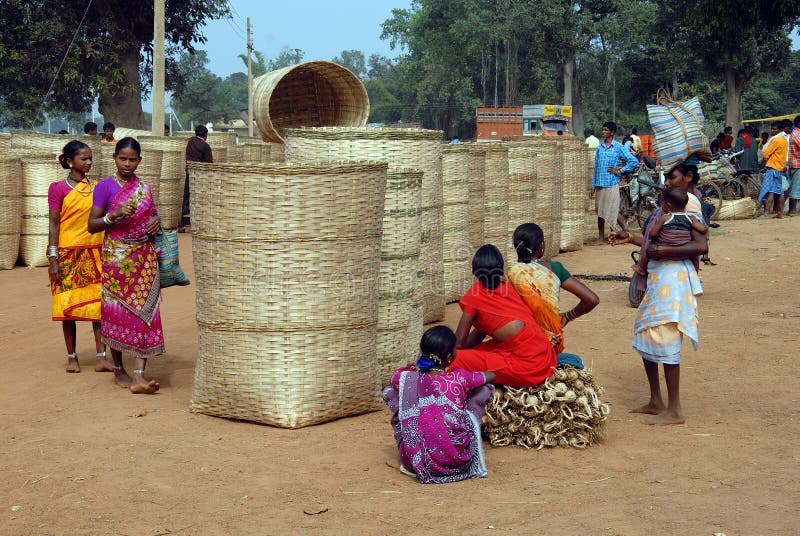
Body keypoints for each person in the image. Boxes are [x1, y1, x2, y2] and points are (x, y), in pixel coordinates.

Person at [609, 160, 709, 425]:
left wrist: (663, 252)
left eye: (672, 178)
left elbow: (701, 245)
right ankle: (656, 400)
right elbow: (657, 241)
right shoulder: (666, 207)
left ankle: (674, 409)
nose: (666, 183)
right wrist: (630, 239)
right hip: (658, 277)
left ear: (687, 179)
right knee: (648, 333)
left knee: (665, 337)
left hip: (673, 280)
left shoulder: (690, 206)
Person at [88, 137, 164, 394]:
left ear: (140, 161)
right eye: (123, 158)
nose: (127, 164)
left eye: (133, 159)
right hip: (116, 260)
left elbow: (152, 215)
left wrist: (156, 221)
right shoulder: (104, 187)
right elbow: (92, 225)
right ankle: (119, 369)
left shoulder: (144, 187)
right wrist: (114, 215)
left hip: (143, 258)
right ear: (114, 158)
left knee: (146, 313)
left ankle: (139, 375)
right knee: (116, 314)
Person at [382, 326, 495, 484]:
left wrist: (415, 370)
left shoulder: (408, 377)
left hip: (421, 463)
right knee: (483, 390)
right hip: (459, 460)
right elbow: (488, 376)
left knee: (392, 392)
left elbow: (393, 380)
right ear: (449, 357)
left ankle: (411, 456)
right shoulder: (460, 378)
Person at [451, 244, 557, 387]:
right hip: (544, 358)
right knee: (477, 350)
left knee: (452, 359)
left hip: (526, 368)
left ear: (474, 270)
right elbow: (482, 330)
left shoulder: (474, 295)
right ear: (500, 267)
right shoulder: (507, 288)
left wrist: (449, 351)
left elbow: (458, 343)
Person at [48, 141, 112, 373]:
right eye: (84, 158)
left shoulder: (99, 186)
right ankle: (72, 356)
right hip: (67, 255)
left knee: (98, 309)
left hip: (96, 252)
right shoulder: (58, 188)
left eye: (90, 158)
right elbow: (54, 223)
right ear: (68, 161)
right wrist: (53, 258)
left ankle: (101, 356)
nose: (89, 162)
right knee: (68, 308)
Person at [507, 223, 599, 354]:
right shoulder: (554, 269)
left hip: (523, 341)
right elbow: (592, 299)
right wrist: (567, 316)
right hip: (552, 341)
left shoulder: (513, 273)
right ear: (542, 246)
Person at [633, 186, 707, 276]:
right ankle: (694, 274)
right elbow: (703, 229)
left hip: (665, 250)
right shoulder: (691, 218)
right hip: (684, 252)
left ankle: (642, 268)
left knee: (647, 249)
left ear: (668, 206)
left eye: (662, 203)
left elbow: (652, 234)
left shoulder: (665, 218)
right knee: (695, 257)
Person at [590, 121, 639, 245]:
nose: (603, 132)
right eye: (603, 129)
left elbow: (633, 161)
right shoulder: (600, 147)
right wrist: (593, 186)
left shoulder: (618, 147)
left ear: (612, 132)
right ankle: (601, 237)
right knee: (600, 211)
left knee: (613, 211)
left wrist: (619, 171)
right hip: (600, 183)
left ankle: (617, 235)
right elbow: (596, 167)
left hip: (612, 183)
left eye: (606, 130)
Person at [182, 125, 213, 229]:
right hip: (200, 176)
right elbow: (209, 164)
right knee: (199, 197)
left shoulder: (190, 141)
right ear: (205, 135)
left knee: (187, 196)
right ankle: (199, 220)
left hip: (189, 173)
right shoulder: (205, 146)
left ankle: (185, 221)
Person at [759, 122, 788, 217]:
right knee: (779, 191)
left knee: (770, 191)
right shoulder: (784, 140)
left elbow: (765, 154)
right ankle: (780, 213)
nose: (772, 130)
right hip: (780, 168)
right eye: (772, 128)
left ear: (780, 130)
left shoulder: (776, 140)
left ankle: (766, 213)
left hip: (772, 168)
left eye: (774, 129)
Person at [788, 115, 800, 216]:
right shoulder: (797, 133)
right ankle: (792, 211)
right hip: (797, 164)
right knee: (796, 187)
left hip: (795, 163)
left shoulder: (794, 132)